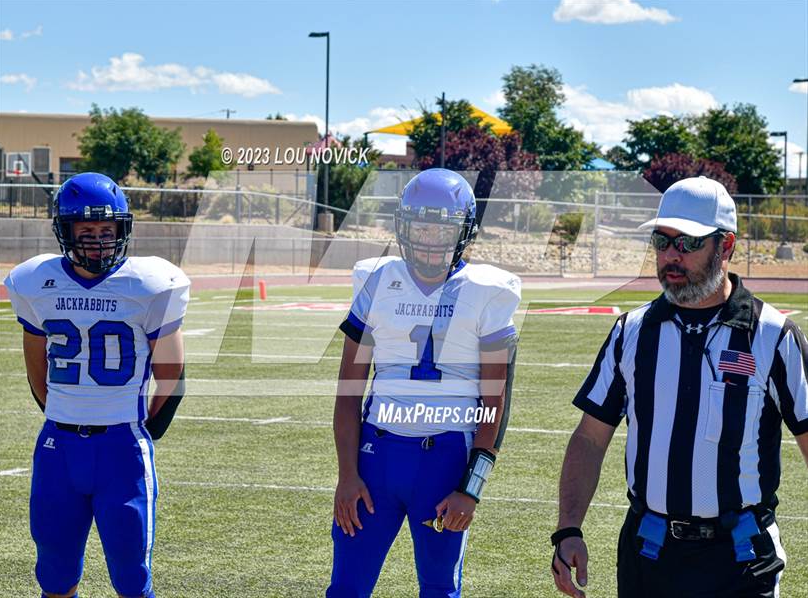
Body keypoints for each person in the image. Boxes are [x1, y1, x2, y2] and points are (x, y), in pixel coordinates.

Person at [550, 176, 808, 598]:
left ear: (725, 246)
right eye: (661, 241)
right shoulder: (630, 332)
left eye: (687, 243)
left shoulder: (774, 336)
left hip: (741, 560)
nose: (671, 255)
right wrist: (568, 528)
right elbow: (590, 439)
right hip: (649, 555)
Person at [327, 168, 520, 597]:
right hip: (375, 456)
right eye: (422, 226)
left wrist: (471, 488)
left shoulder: (487, 290)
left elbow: (495, 403)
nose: (431, 238)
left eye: (443, 228)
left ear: (464, 232)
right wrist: (346, 474)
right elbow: (348, 392)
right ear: (404, 227)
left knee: (439, 589)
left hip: (445, 460)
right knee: (346, 587)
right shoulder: (377, 280)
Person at [4, 172, 190, 598]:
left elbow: (173, 376)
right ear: (64, 231)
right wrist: (67, 415)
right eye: (85, 230)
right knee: (54, 569)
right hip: (58, 447)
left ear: (123, 230)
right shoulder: (36, 281)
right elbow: (37, 371)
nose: (97, 240)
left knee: (130, 573)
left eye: (107, 230)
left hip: (121, 448)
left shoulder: (151, 284)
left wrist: (134, 428)